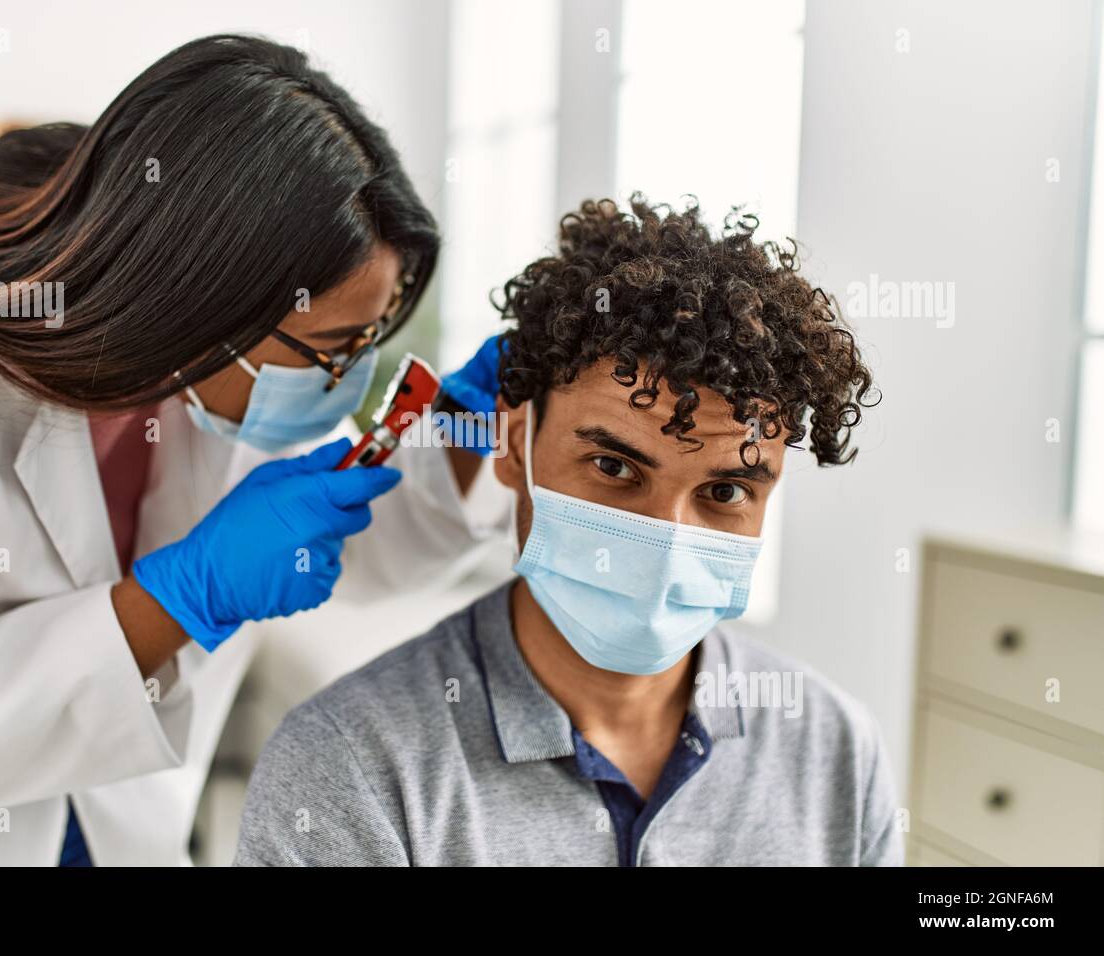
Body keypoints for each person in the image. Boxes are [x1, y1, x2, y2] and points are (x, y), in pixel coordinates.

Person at [0, 35, 503, 865]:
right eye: (332, 349)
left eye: (369, 342)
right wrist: (179, 598)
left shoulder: (210, 383)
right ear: (199, 297)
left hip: (123, 833)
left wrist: (469, 430)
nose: (346, 382)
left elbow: (346, 540)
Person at [235, 196, 901, 867]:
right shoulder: (351, 769)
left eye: (724, 491)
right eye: (613, 465)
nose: (664, 541)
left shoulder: (837, 752)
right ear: (514, 444)